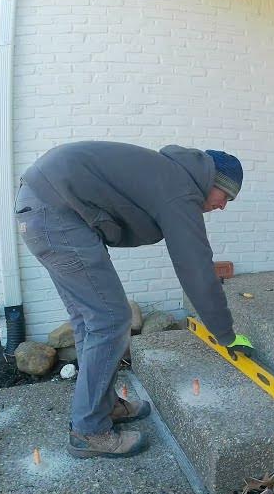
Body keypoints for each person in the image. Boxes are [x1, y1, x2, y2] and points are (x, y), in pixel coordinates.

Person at [13, 141, 254, 459]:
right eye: (226, 196)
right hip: (56, 213)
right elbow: (196, 268)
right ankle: (89, 431)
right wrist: (225, 334)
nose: (223, 206)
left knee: (90, 321)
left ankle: (103, 407)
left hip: (43, 208)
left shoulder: (169, 175)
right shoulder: (181, 190)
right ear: (213, 182)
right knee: (110, 319)